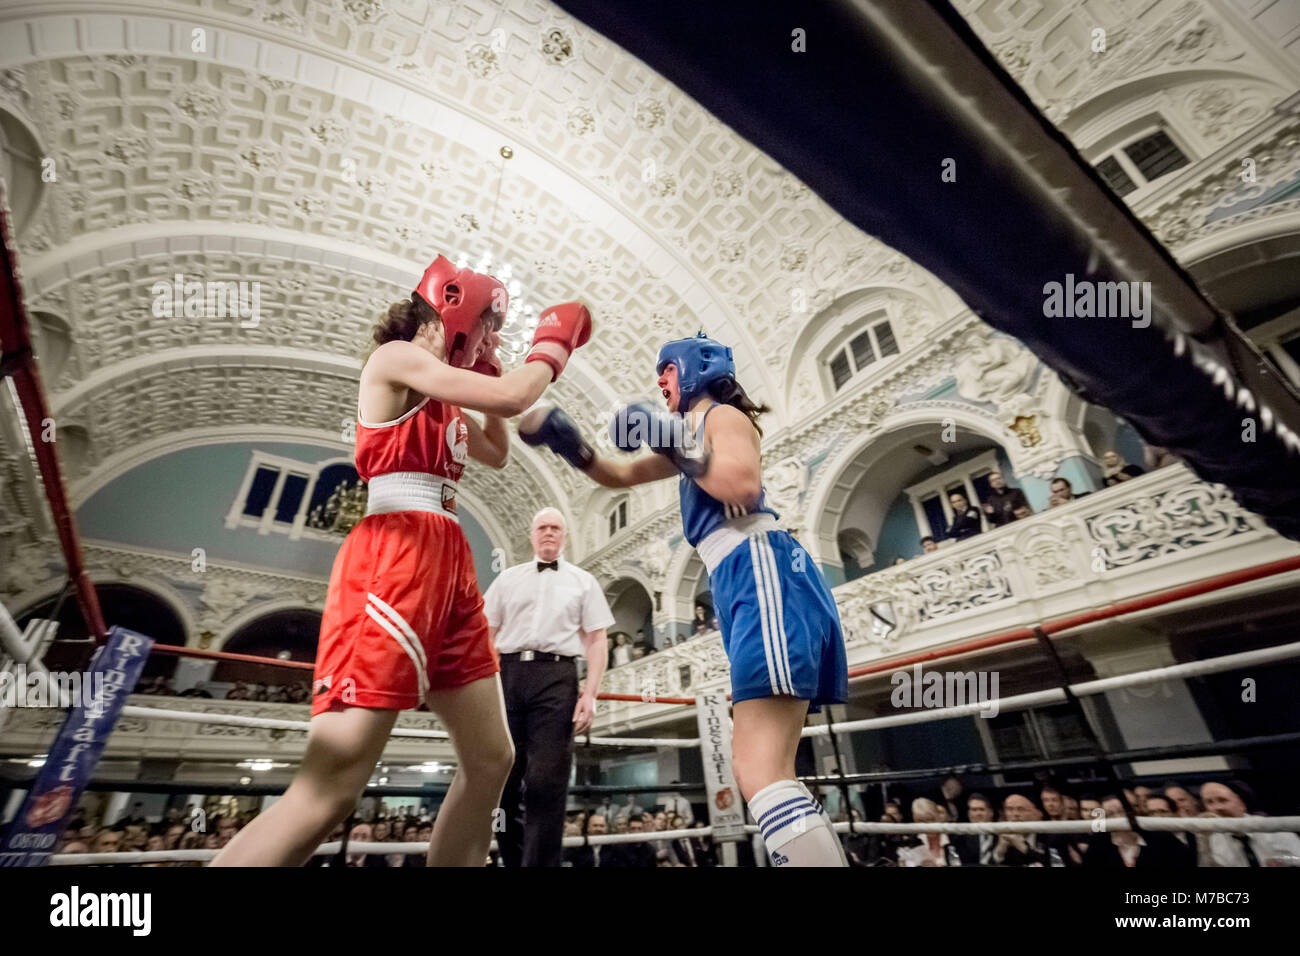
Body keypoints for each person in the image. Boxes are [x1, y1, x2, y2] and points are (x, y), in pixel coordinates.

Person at [212, 256, 592, 867]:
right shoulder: (396, 360)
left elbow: (494, 449)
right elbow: (516, 393)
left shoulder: (444, 387)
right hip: (394, 554)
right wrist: (550, 343)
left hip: (450, 565)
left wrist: (493, 371)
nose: (493, 342)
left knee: (494, 758)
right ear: (454, 308)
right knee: (333, 783)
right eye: (490, 328)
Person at [520, 331, 849, 866]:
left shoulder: (720, 417)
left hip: (758, 567)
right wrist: (570, 444)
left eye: (666, 370)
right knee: (767, 771)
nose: (659, 381)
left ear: (695, 368)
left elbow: (740, 486)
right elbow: (620, 473)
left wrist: (673, 440)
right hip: (750, 579)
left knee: (759, 770)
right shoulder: (690, 435)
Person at [483, 506, 614, 868]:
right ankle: (513, 859)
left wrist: (590, 693)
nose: (549, 533)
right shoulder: (507, 579)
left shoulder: (583, 581)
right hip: (506, 674)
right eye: (542, 527)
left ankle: (540, 864)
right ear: (532, 534)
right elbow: (486, 633)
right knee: (502, 780)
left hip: (557, 677)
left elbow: (598, 640)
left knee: (546, 780)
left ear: (565, 536)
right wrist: (488, 683)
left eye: (556, 528)